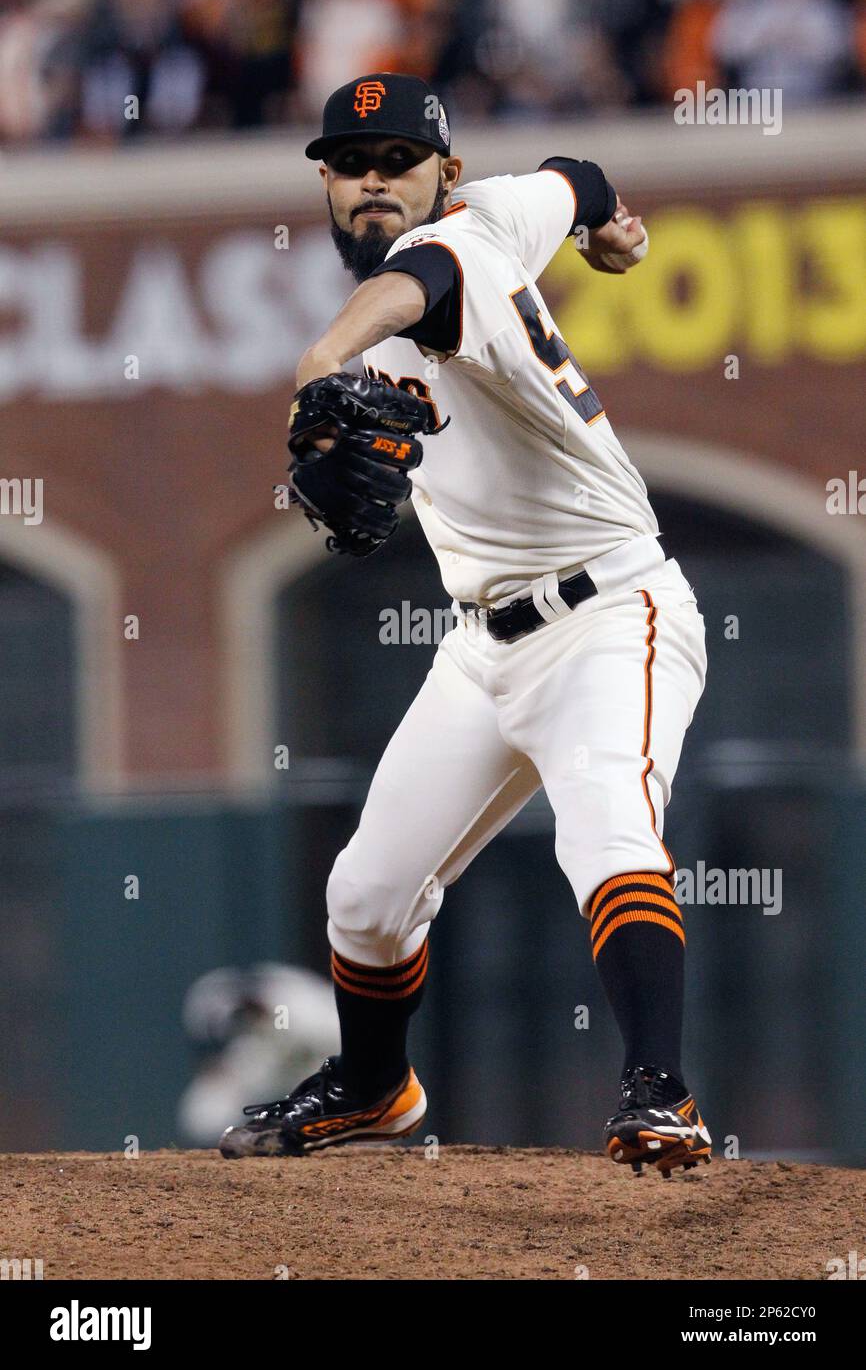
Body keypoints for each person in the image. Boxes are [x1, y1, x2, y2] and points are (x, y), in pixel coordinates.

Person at [220, 73, 711, 1177]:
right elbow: (573, 180)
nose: (373, 181)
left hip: (609, 611)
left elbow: (412, 287)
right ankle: (373, 1084)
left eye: (397, 160)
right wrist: (610, 226)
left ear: (442, 173)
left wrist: (315, 366)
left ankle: (659, 1093)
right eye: (351, 164)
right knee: (366, 893)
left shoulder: (452, 251)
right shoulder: (504, 207)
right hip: (484, 638)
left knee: (605, 839)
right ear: (326, 183)